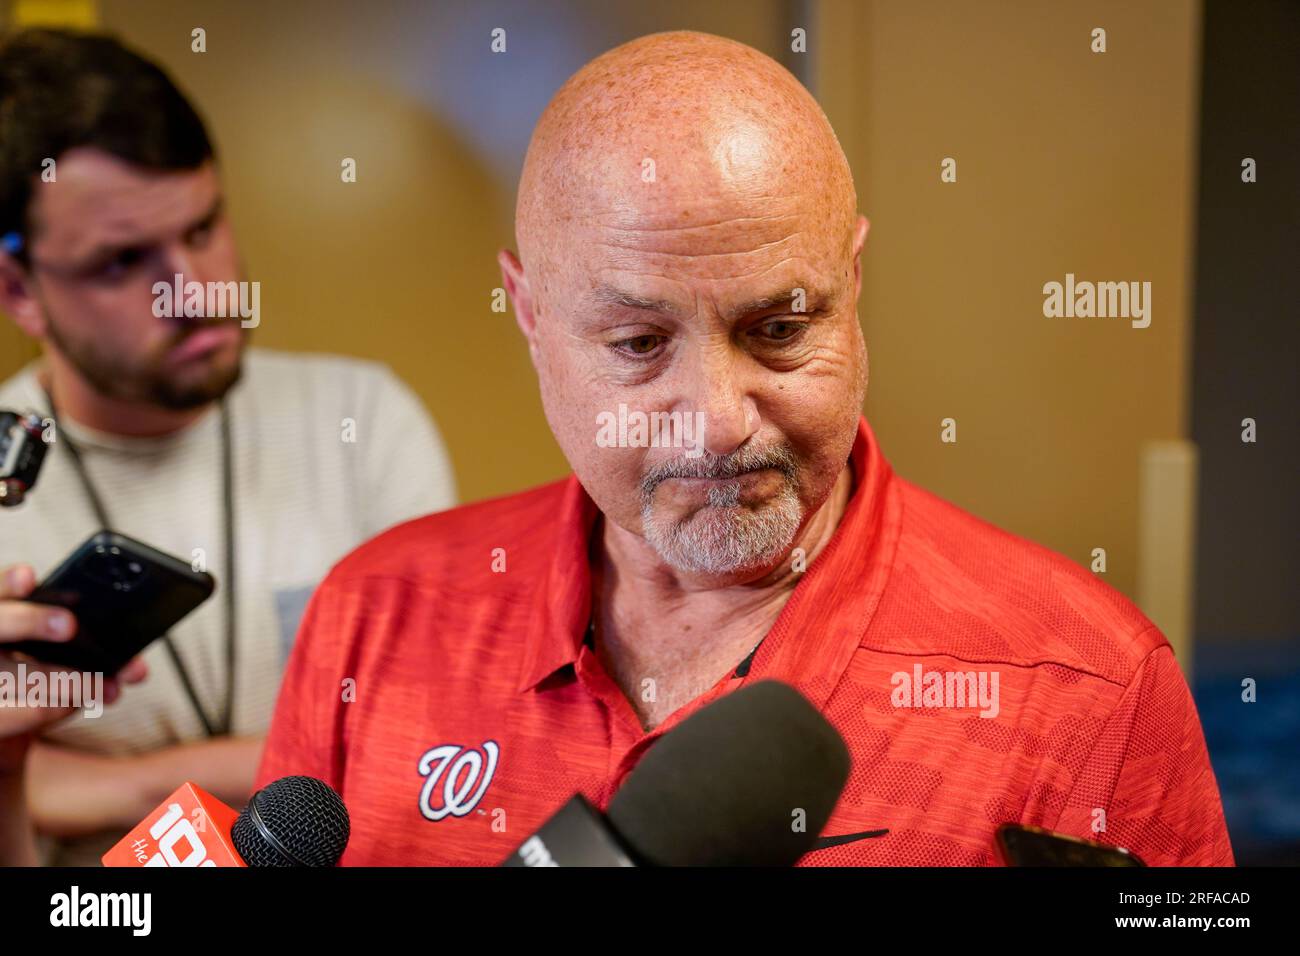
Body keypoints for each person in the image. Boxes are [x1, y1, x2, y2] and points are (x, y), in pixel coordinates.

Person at [256, 31, 1233, 865]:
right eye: (639, 345)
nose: (719, 419)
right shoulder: (372, 618)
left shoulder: (1085, 689)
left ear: (850, 290)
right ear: (529, 317)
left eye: (777, 328)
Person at [0, 29, 456, 865]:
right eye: (123, 262)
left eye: (204, 228)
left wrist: (110, 783)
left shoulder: (363, 417)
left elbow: (431, 740)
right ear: (18, 290)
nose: (197, 290)